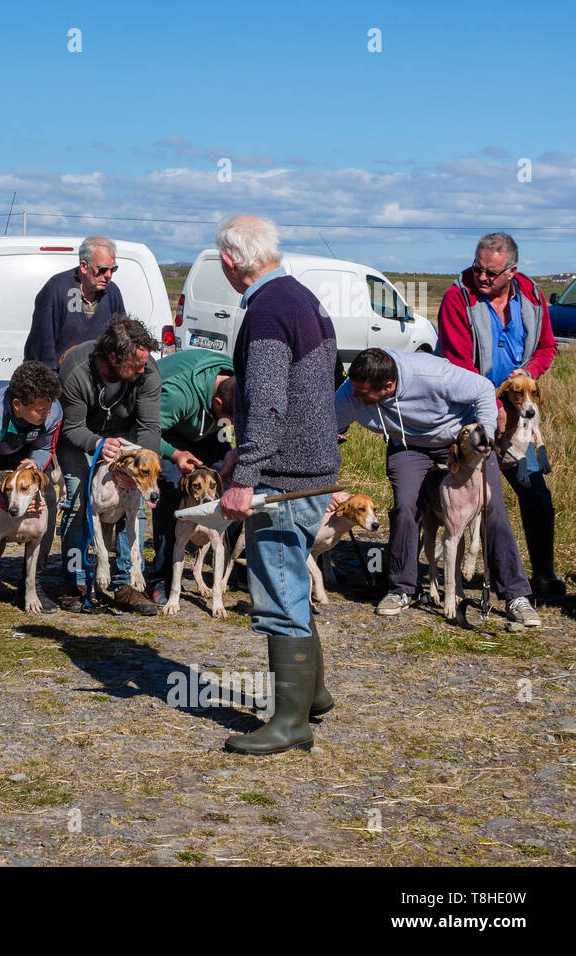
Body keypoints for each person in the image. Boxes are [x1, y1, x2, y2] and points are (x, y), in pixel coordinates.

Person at [215, 215, 340, 756]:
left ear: (228, 262)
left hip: (283, 476)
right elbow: (304, 390)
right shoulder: (302, 296)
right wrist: (242, 453)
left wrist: (247, 476)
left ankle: (290, 723)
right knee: (292, 580)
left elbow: (266, 400)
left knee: (278, 589)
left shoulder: (267, 310)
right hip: (311, 465)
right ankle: (312, 694)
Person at [335, 347, 540, 627]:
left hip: (458, 440)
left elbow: (482, 389)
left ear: (389, 386)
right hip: (408, 447)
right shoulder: (352, 389)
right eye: (354, 387)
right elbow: (326, 430)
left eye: (363, 391)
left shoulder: (433, 374)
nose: (354, 394)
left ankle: (516, 594)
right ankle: (402, 588)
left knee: (492, 507)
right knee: (406, 506)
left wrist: (484, 437)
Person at [438, 232, 563, 598]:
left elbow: (546, 347)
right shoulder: (456, 297)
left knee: (536, 495)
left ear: (512, 270)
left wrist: (529, 374)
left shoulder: (534, 296)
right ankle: (470, 580)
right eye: (478, 269)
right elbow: (458, 364)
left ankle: (544, 574)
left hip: (519, 417)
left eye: (491, 273)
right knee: (485, 500)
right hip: (474, 416)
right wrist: (492, 412)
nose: (482, 278)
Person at [56, 315, 161, 613]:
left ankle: (126, 583)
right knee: (78, 502)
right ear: (113, 357)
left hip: (125, 438)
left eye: (145, 363)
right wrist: (98, 445)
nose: (143, 369)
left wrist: (138, 468)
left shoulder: (148, 370)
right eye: (136, 364)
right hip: (80, 437)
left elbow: (150, 427)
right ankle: (76, 580)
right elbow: (71, 427)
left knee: (136, 505)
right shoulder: (76, 370)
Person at [0, 360, 64, 613]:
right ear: (17, 405)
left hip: (23, 455)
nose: (48, 413)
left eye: (49, 407)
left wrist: (35, 465)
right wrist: (9, 503)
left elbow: (46, 448)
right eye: (40, 409)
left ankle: (33, 585)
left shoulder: (52, 411)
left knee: (49, 500)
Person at [148, 349, 237, 602]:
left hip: (208, 426)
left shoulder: (235, 381)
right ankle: (162, 579)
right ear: (219, 404)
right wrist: (174, 454)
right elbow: (146, 431)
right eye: (232, 420)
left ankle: (234, 566)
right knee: (170, 491)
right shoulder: (177, 395)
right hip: (168, 431)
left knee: (232, 481)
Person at [23, 237, 128, 371]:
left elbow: (122, 339)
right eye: (102, 269)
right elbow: (42, 346)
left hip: (96, 381)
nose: (108, 275)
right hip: (58, 379)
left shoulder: (112, 292)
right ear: (84, 266)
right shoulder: (56, 289)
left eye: (112, 269)